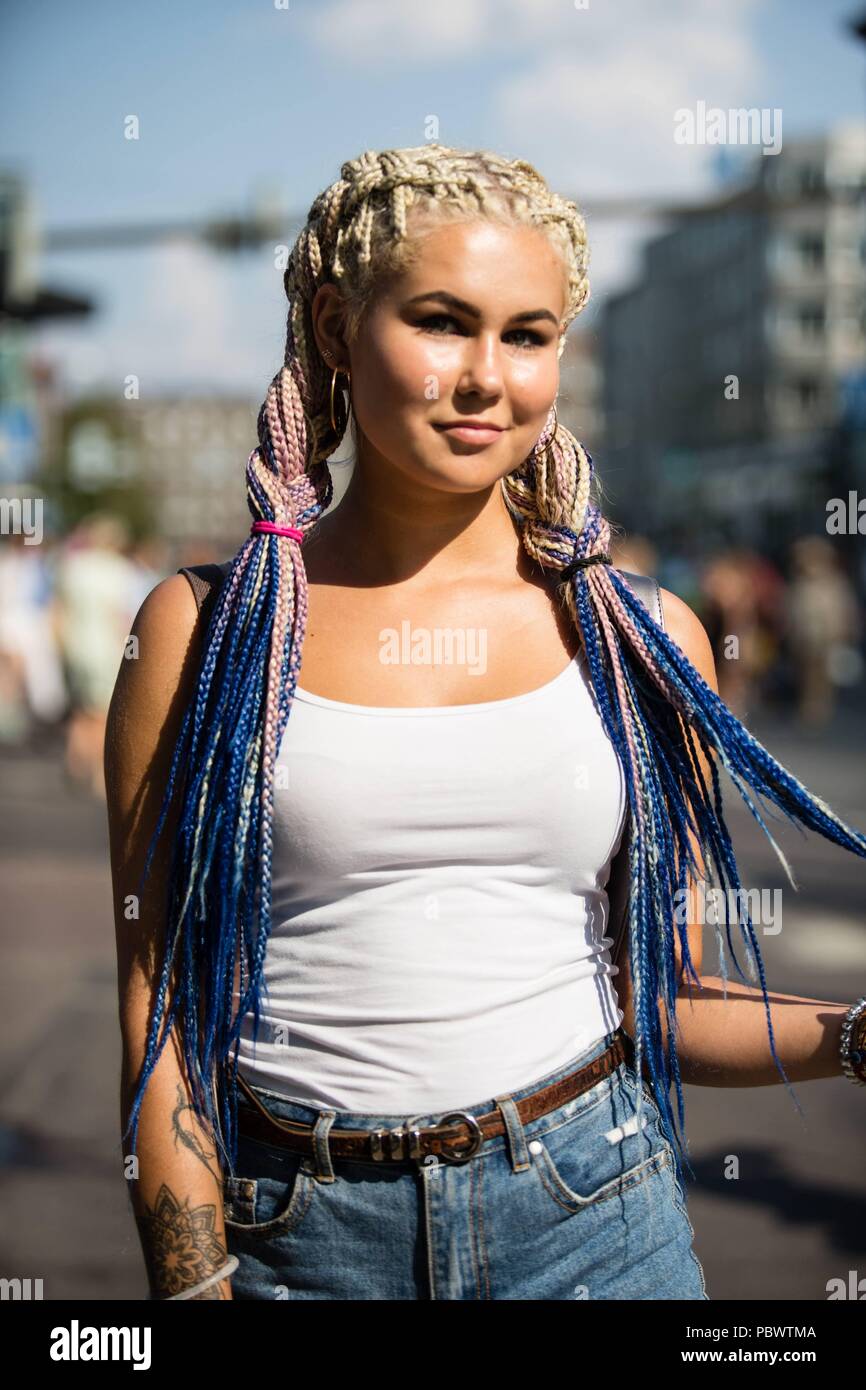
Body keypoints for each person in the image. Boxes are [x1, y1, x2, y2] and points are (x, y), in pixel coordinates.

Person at [105, 144, 866, 1303]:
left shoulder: (640, 634)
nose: (484, 377)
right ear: (332, 326)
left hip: (595, 1220)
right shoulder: (197, 630)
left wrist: (854, 1032)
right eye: (441, 322)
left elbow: (662, 1000)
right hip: (296, 1237)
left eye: (526, 334)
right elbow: (158, 1007)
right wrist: (192, 1284)